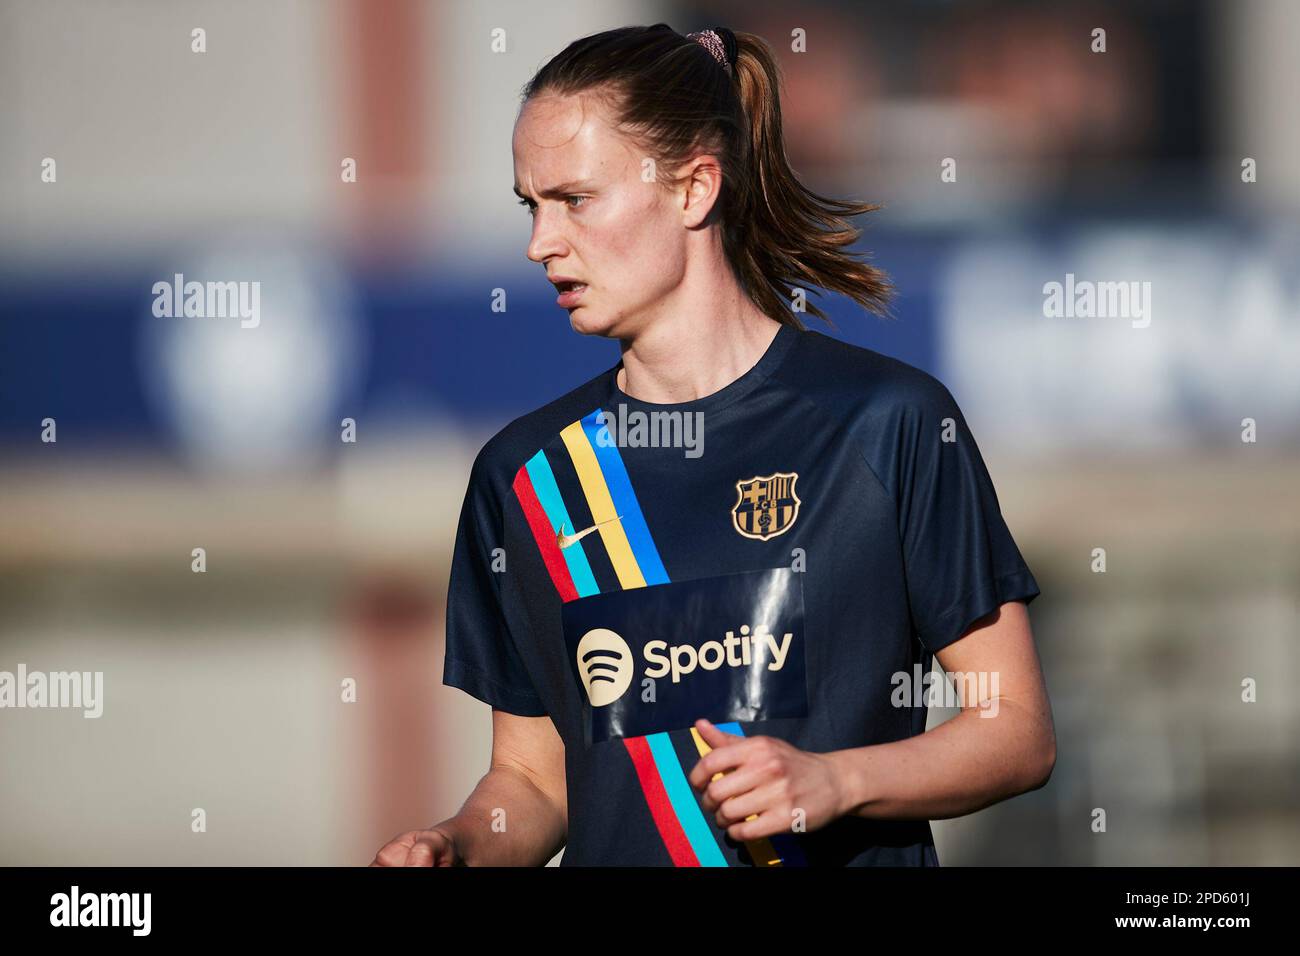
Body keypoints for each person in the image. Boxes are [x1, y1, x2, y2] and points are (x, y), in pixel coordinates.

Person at [371, 23, 1054, 867]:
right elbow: (534, 783)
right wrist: (456, 845)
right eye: (531, 205)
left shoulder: (889, 422)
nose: (540, 242)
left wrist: (834, 783)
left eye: (575, 199)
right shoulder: (525, 478)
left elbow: (1017, 731)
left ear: (695, 188)